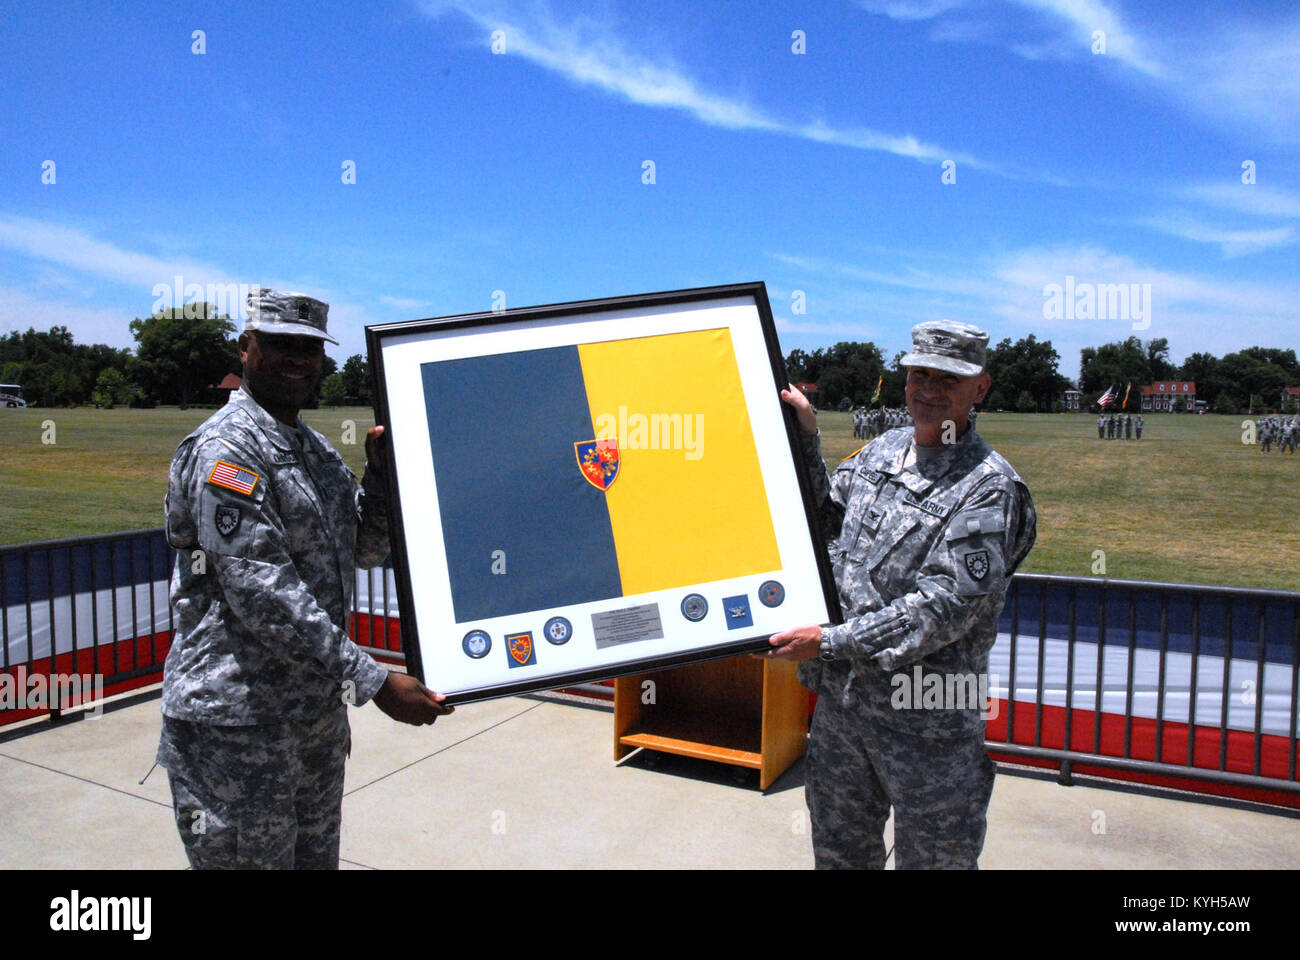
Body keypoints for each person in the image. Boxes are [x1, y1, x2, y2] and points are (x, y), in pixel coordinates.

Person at [155, 289, 453, 869]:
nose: (298, 359)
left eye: (309, 348)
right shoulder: (230, 449)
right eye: (281, 345)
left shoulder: (312, 448)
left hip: (310, 724)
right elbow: (260, 591)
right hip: (237, 730)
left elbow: (364, 547)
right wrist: (373, 681)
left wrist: (383, 474)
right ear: (247, 347)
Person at [766, 319, 1036, 869]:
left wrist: (831, 641)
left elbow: (944, 607)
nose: (929, 390)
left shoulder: (988, 486)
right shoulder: (882, 451)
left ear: (979, 388)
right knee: (840, 856)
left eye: (947, 379)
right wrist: (807, 436)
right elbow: (826, 520)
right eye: (918, 375)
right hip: (845, 713)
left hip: (929, 730)